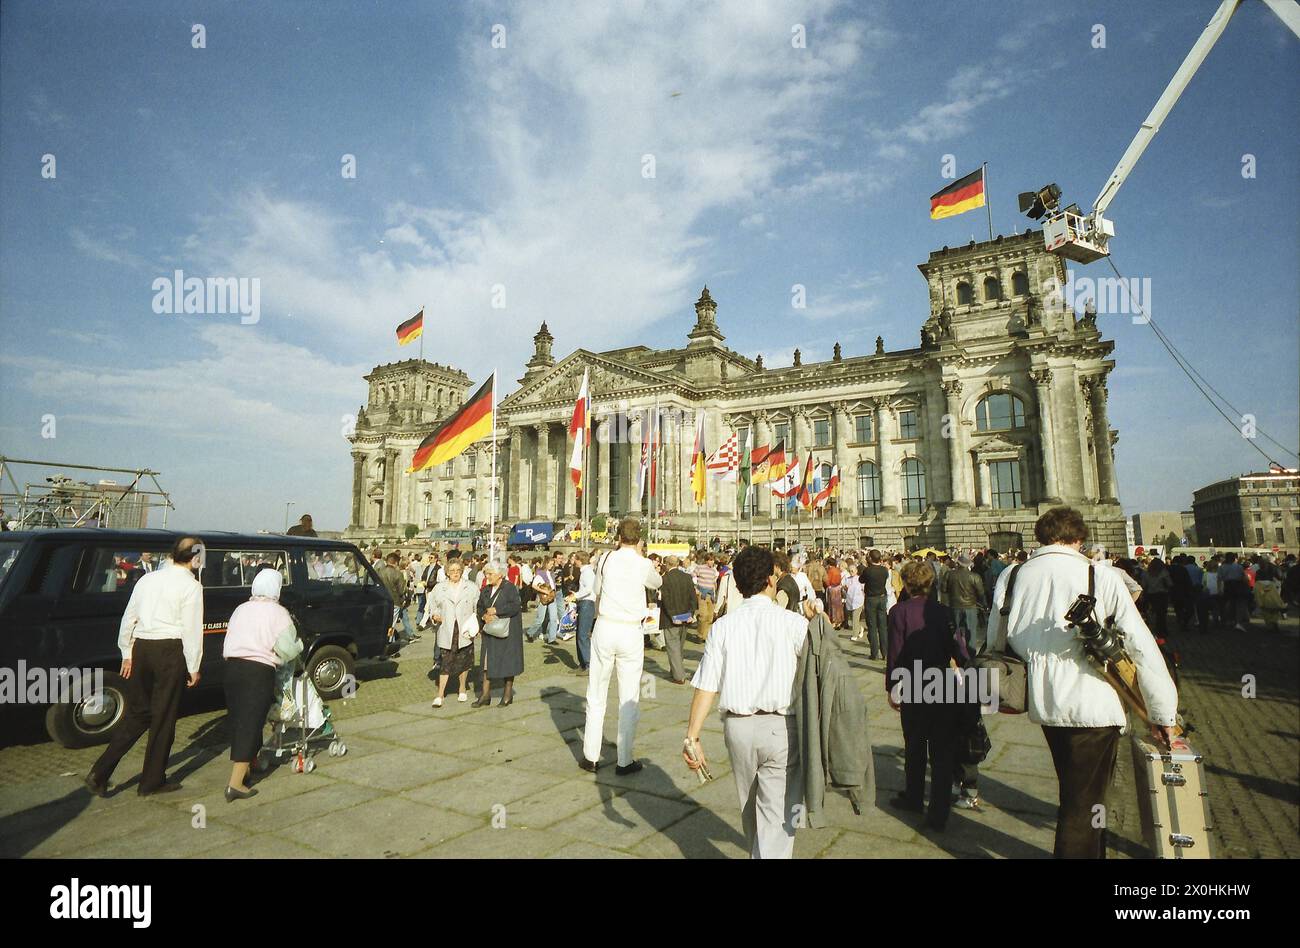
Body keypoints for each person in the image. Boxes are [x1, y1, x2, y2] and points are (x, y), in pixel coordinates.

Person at [988, 507, 1178, 858]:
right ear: (1078, 539)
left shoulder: (1012, 576)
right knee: (1082, 805)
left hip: (1044, 704)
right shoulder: (1099, 575)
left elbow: (996, 639)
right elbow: (1141, 646)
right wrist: (1164, 713)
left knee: (1078, 794)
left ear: (1042, 537)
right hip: (1094, 705)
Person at [684, 545, 810, 859]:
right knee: (777, 817)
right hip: (780, 728)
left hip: (738, 729)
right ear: (772, 579)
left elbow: (706, 685)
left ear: (738, 583)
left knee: (750, 807)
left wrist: (692, 737)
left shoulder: (723, 627)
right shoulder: (795, 624)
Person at [85, 537, 205, 797]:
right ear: (195, 558)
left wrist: (127, 652)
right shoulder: (192, 586)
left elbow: (130, 617)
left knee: (138, 713)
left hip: (141, 647)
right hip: (169, 650)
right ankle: (152, 781)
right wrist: (193, 666)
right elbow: (191, 630)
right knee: (164, 717)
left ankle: (100, 771)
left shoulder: (146, 580)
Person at [580, 518, 662, 774]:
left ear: (617, 536)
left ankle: (591, 757)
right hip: (630, 630)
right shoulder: (643, 563)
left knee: (596, 693)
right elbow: (657, 583)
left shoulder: (605, 559)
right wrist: (640, 555)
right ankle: (624, 760)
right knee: (628, 696)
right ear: (638, 538)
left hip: (605, 625)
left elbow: (596, 589)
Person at [221, 568, 302, 801]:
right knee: (251, 721)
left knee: (238, 719)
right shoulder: (278, 613)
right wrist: (299, 648)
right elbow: (287, 648)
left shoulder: (241, 608)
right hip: (257, 670)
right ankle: (235, 783)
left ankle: (249, 765)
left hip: (233, 667)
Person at [428, 558, 479, 706]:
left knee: (464, 660)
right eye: (452, 571)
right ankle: (440, 694)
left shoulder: (471, 587)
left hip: (464, 629)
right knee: (445, 662)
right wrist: (435, 615)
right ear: (447, 572)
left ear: (462, 571)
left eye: (458, 570)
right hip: (447, 628)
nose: (455, 573)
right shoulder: (439, 588)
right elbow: (434, 606)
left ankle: (462, 688)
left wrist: (477, 626)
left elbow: (477, 607)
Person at [475, 560, 524, 706]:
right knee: (485, 663)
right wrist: (483, 616)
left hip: (506, 631)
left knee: (507, 663)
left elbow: (515, 606)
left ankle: (507, 694)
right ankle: (485, 695)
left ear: (500, 574)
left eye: (490, 574)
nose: (487, 576)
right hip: (490, 631)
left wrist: (497, 611)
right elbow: (479, 606)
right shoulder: (485, 589)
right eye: (486, 573)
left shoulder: (509, 588)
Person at [659, 555, 698, 684]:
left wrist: (672, 616)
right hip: (685, 617)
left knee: (673, 646)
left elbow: (666, 600)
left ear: (667, 564)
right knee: (679, 647)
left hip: (671, 619)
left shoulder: (665, 578)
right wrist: (691, 613)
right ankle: (675, 670)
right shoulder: (687, 577)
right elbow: (693, 597)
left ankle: (679, 675)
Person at [942, 553, 985, 651]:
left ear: (958, 563)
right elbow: (981, 593)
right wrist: (984, 605)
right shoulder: (975, 576)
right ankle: (971, 655)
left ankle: (958, 654)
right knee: (971, 633)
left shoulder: (949, 574)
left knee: (956, 632)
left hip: (954, 606)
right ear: (969, 564)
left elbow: (943, 589)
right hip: (971, 607)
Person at [377, 552, 415, 647]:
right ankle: (389, 644)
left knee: (384, 623)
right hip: (394, 602)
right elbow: (402, 590)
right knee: (391, 625)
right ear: (396, 562)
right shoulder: (397, 574)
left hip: (381, 602)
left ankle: (387, 641)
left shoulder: (379, 572)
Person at [859, 550, 891, 660]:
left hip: (871, 599)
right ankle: (885, 653)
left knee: (872, 627)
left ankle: (874, 653)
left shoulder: (868, 571)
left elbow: (861, 580)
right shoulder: (884, 570)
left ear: (871, 559)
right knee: (883, 626)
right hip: (882, 598)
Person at [526, 554, 560, 644]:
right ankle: (530, 632)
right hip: (543, 598)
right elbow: (534, 585)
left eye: (552, 564)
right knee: (540, 619)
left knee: (553, 618)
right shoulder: (540, 573)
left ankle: (551, 639)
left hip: (552, 597)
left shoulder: (551, 573)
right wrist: (544, 591)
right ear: (546, 563)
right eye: (550, 564)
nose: (552, 565)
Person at [693, 552, 719, 642]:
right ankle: (700, 635)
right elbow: (693, 576)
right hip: (702, 594)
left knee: (710, 617)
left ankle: (705, 635)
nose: (712, 562)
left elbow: (714, 581)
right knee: (703, 615)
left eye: (713, 560)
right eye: (710, 560)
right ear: (706, 560)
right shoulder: (700, 568)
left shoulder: (714, 570)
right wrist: (696, 588)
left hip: (711, 595)